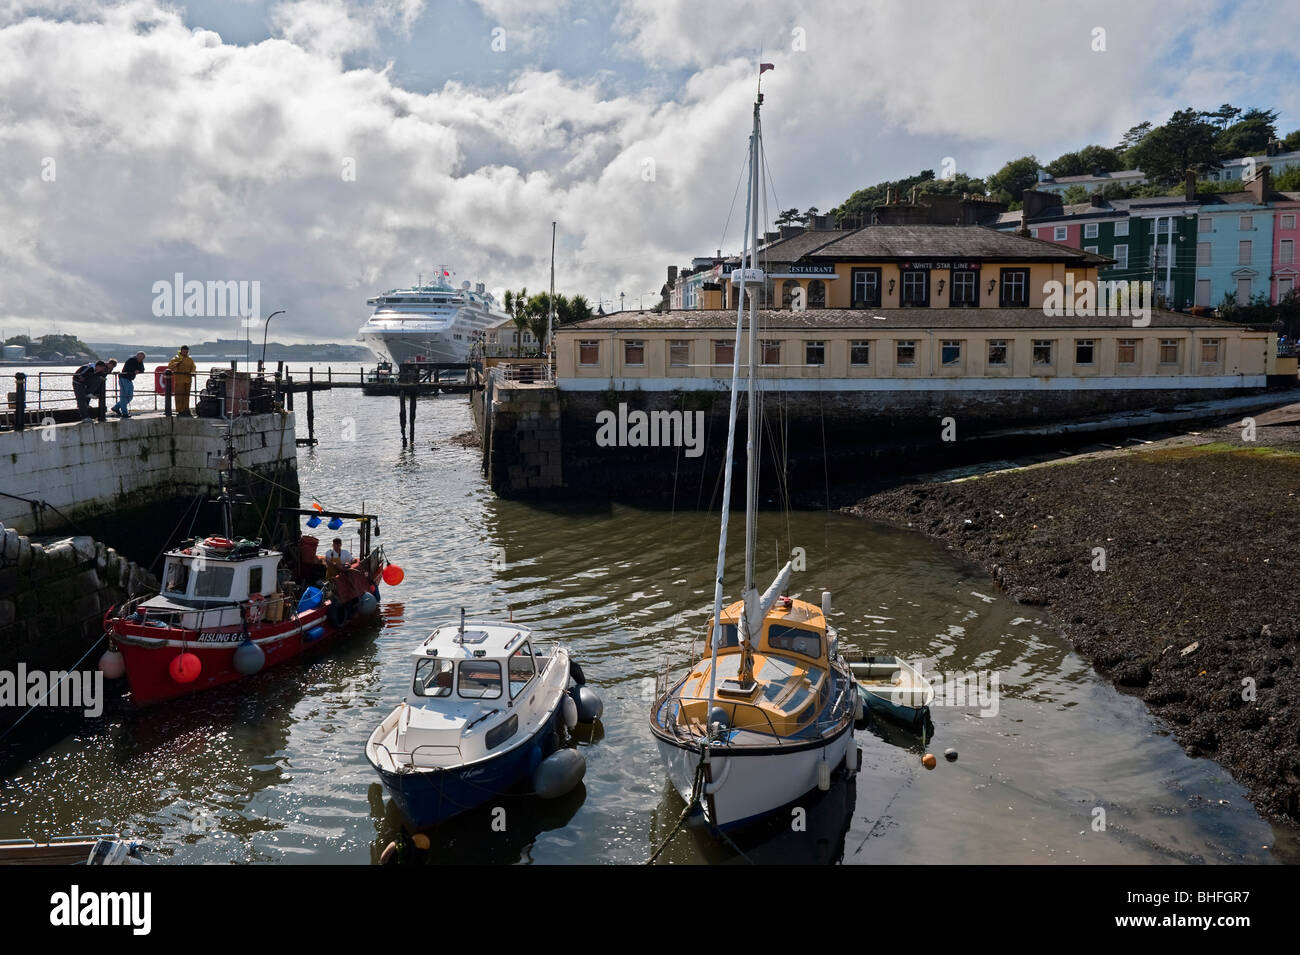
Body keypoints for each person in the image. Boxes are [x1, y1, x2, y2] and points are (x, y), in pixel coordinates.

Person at [111, 351, 146, 418]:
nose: (142, 359)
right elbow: (128, 368)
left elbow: (142, 369)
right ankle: (124, 413)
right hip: (124, 378)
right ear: (137, 356)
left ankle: (116, 407)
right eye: (141, 357)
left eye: (143, 358)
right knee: (124, 396)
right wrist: (135, 371)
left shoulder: (140, 362)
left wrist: (138, 371)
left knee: (130, 396)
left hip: (129, 379)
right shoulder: (131, 360)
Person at [168, 345, 197, 416]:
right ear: (181, 351)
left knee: (187, 395)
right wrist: (177, 363)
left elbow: (193, 367)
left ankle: (186, 409)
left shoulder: (190, 359)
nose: (185, 352)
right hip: (179, 380)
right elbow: (170, 366)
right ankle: (180, 409)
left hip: (188, 380)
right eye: (184, 351)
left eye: (186, 351)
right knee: (179, 395)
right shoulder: (176, 358)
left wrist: (193, 372)